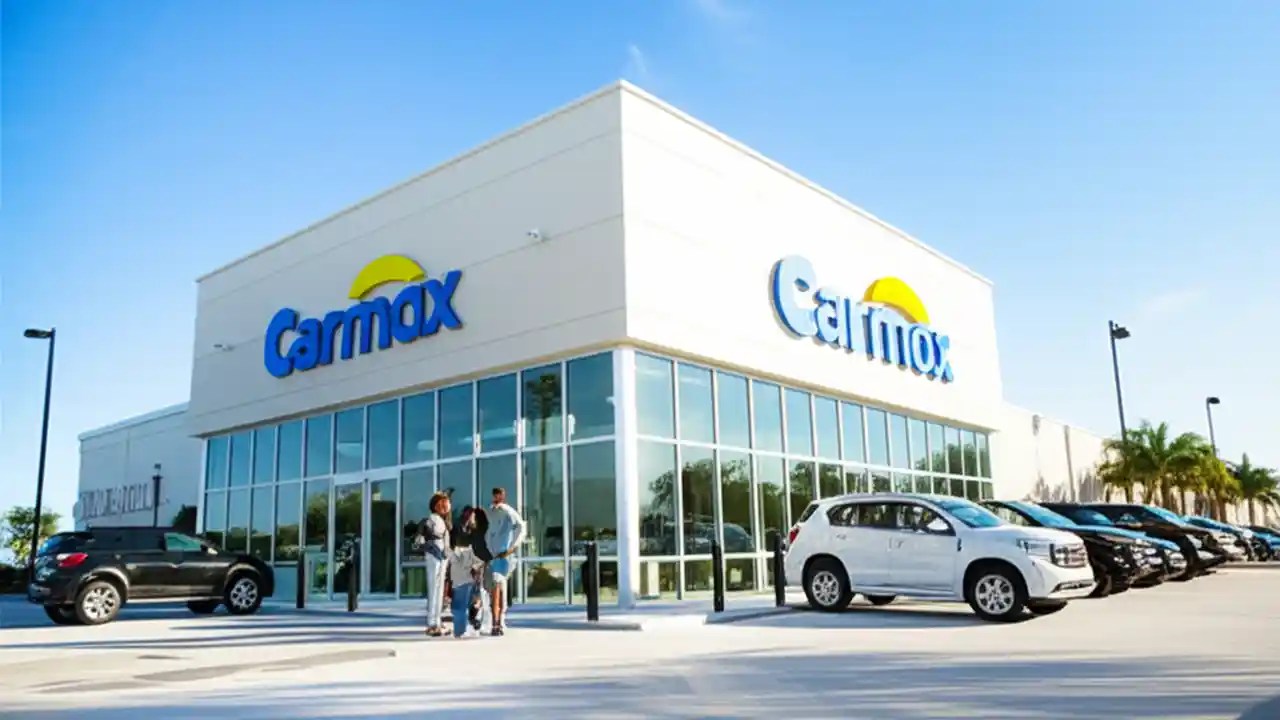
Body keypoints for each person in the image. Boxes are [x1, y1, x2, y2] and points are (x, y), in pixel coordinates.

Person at [484, 486, 526, 636]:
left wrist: (513, 547)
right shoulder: (489, 512)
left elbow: (521, 527)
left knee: (499, 587)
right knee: (491, 589)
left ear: (503, 496)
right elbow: (487, 532)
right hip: (492, 555)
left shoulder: (508, 511)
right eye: (495, 495)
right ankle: (494, 620)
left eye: (499, 495)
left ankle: (499, 621)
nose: (497, 498)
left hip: (503, 556)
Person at [446, 521, 483, 638]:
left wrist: (474, 568)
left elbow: (479, 562)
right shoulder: (461, 552)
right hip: (460, 583)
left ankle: (461, 630)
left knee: (459, 608)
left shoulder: (467, 552)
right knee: (458, 608)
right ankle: (460, 630)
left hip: (464, 582)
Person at [421, 491, 451, 637]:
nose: (445, 506)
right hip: (435, 556)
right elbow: (429, 534)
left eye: (445, 503)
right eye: (441, 504)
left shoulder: (441, 519)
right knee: (434, 589)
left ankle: (436, 621)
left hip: (441, 556)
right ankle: (433, 622)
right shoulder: (433, 519)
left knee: (438, 591)